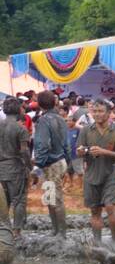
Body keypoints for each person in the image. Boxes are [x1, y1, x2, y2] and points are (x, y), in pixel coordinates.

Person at [76, 99, 115, 245]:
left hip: (111, 174)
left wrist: (104, 152)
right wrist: (82, 151)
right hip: (91, 174)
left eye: (101, 111)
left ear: (108, 113)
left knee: (110, 207)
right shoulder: (86, 130)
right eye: (95, 111)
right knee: (95, 211)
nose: (97, 114)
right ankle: (98, 243)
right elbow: (79, 151)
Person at [32, 90, 71, 237]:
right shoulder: (60, 118)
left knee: (54, 199)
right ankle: (57, 231)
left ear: (39, 104)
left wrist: (38, 165)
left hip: (50, 164)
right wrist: (67, 161)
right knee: (52, 198)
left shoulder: (43, 121)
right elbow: (67, 143)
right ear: (54, 102)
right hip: (60, 161)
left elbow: (43, 145)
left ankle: (60, 232)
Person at [0, 98, 30, 235]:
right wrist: (29, 166)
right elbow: (24, 151)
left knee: (3, 201)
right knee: (18, 200)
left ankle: (4, 230)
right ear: (18, 110)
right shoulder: (21, 129)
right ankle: (17, 231)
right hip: (15, 168)